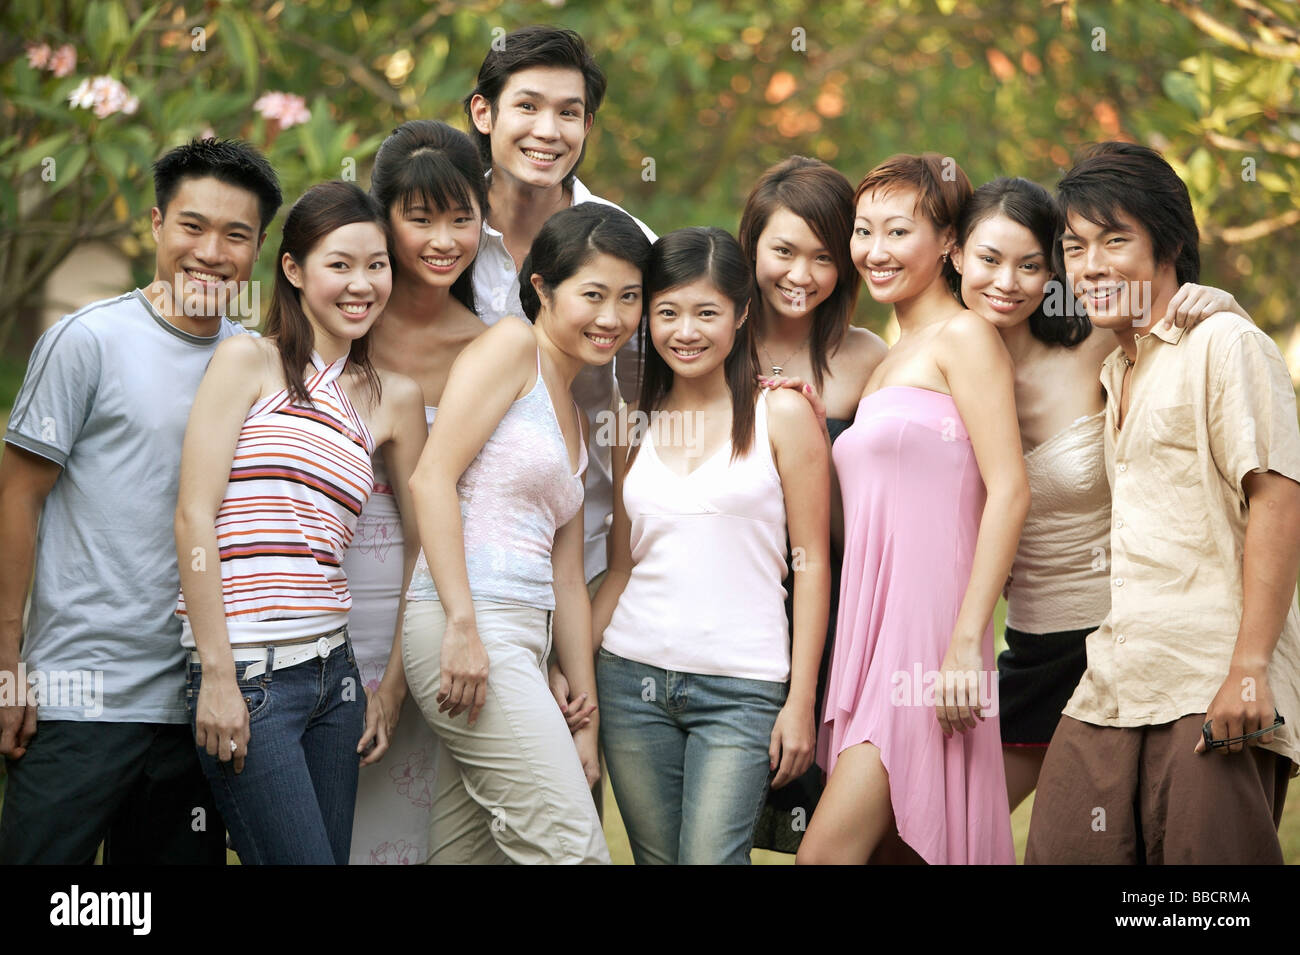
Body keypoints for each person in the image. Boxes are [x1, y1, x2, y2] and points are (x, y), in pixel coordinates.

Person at [0, 138, 280, 864]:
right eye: (193, 225)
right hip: (77, 696)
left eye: (236, 234)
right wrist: (8, 663)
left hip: (197, 705)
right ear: (156, 224)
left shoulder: (254, 364)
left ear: (259, 247)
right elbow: (17, 498)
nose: (211, 252)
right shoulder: (87, 341)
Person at [1026, 142, 1300, 864]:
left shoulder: (1227, 344)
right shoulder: (1118, 368)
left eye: (1116, 240)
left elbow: (1278, 500)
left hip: (1212, 675)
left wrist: (1250, 666)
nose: (1092, 265)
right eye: (1076, 246)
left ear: (1170, 242)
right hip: (1116, 676)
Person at [950, 177, 1249, 812]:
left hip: (1113, 631)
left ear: (1052, 273)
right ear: (955, 257)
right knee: (941, 831)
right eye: (989, 260)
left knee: (1118, 835)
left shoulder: (1094, 346)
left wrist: (1221, 303)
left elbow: (1191, 350)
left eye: (1031, 265)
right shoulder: (933, 377)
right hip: (1027, 644)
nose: (1007, 282)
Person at [175, 181, 427, 865]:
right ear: (293, 269)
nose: (361, 283)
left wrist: (389, 687)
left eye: (376, 265)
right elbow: (194, 514)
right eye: (339, 264)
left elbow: (423, 544)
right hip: (250, 678)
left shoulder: (391, 399)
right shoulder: (246, 361)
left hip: (336, 679)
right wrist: (219, 676)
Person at [797, 153, 1029, 865]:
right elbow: (862, 525)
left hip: (927, 641)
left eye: (898, 232)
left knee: (824, 854)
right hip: (868, 636)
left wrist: (966, 643)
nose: (874, 250)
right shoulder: (886, 362)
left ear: (950, 245)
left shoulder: (964, 336)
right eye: (863, 232)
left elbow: (1010, 489)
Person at [403, 203, 651, 864]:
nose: (612, 317)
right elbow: (431, 479)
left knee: (471, 852)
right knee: (572, 849)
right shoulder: (510, 348)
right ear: (542, 286)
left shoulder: (573, 405)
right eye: (593, 294)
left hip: (522, 637)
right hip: (464, 624)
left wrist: (585, 716)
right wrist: (462, 624)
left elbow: (567, 577)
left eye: (630, 298)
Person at [593, 227, 830, 864]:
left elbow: (811, 565)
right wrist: (573, 667)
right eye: (667, 312)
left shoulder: (782, 413)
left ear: (742, 312)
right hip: (629, 677)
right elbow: (621, 566)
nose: (685, 331)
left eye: (706, 312)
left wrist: (800, 700)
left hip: (743, 688)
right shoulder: (632, 422)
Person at [463, 24, 656, 594]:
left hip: (575, 556)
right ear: (483, 112)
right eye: (527, 106)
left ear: (587, 126)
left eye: (569, 113)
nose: (547, 131)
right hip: (439, 548)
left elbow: (656, 399)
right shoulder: (437, 232)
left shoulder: (629, 244)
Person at [343, 119, 489, 865]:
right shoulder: (339, 331)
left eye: (461, 218)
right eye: (420, 217)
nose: (442, 239)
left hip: (435, 616)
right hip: (319, 614)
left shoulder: (490, 347)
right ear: (383, 220)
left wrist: (402, 674)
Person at [738, 156, 887, 853]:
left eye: (824, 257)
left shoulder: (869, 359)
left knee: (831, 833)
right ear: (752, 249)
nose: (801, 274)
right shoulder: (707, 341)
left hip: (834, 615)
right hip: (726, 609)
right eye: (784, 251)